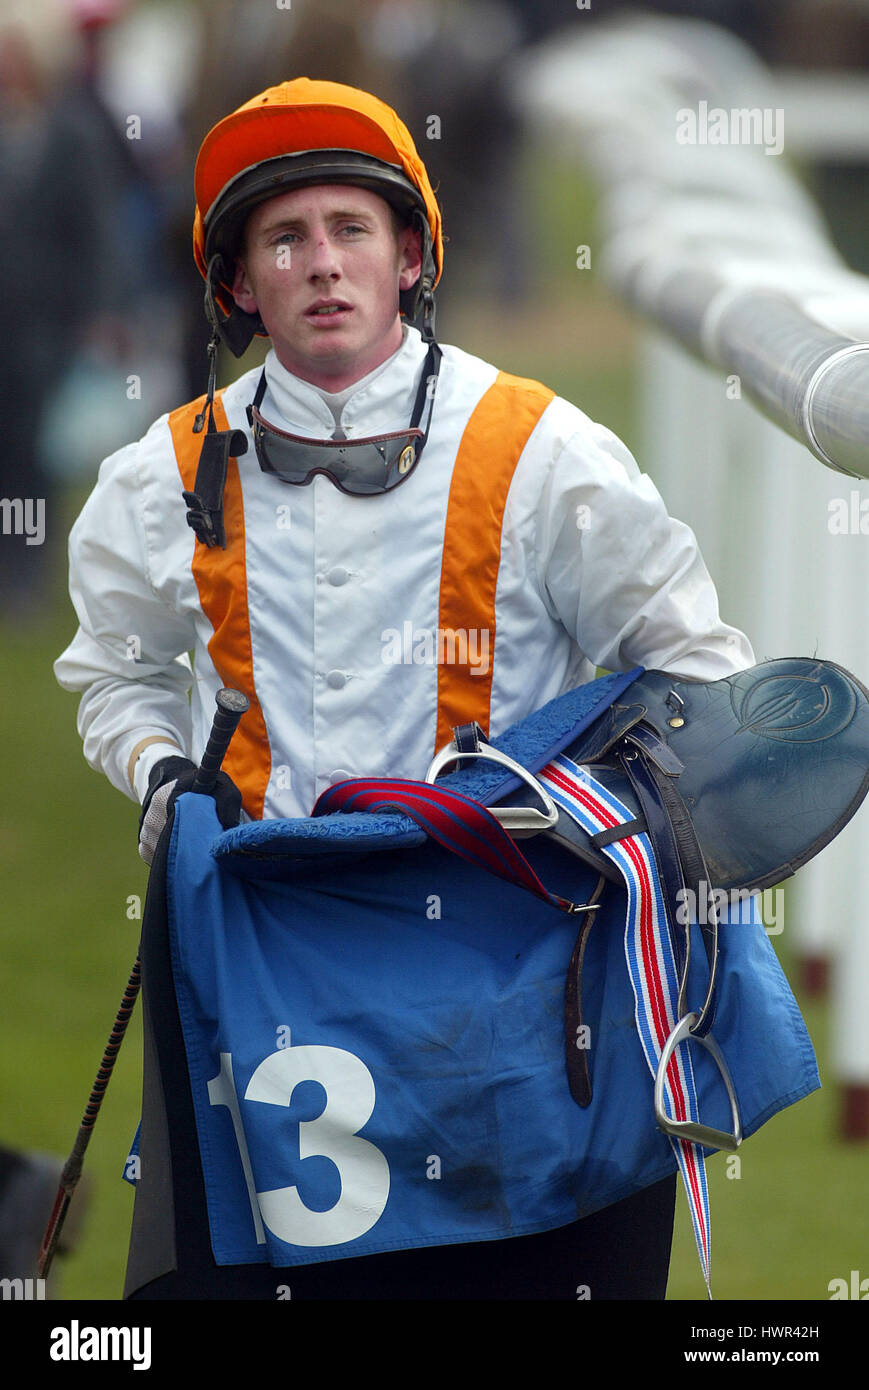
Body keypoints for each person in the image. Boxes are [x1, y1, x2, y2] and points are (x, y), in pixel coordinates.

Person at [54, 78, 755, 1300]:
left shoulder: (544, 450)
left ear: (410, 258)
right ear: (238, 285)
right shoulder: (155, 475)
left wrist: (583, 803)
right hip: (262, 963)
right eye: (284, 239)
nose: (321, 263)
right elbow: (114, 671)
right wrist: (164, 774)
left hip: (507, 968)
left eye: (350, 229)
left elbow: (697, 671)